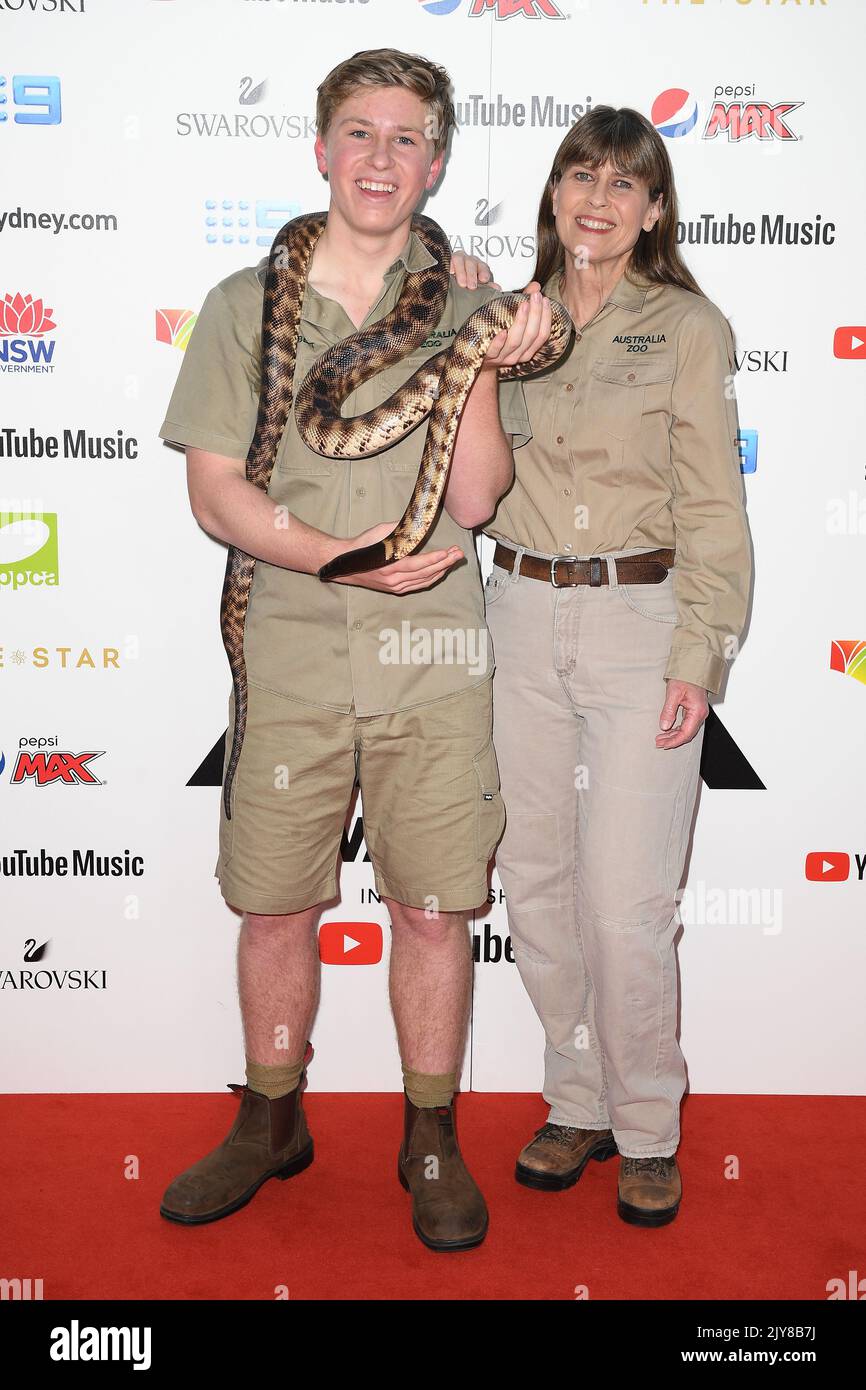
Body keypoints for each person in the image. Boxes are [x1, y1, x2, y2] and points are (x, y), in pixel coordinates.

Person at [155, 47, 553, 1251]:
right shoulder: (243, 304)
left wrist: (472, 359)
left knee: (433, 906)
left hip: (434, 650)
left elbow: (475, 502)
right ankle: (270, 1115)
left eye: (408, 138)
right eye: (360, 134)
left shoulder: (480, 308)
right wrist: (334, 556)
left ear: (436, 164)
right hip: (290, 643)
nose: (382, 157)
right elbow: (217, 492)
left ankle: (427, 1132)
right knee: (275, 904)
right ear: (321, 151)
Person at [458, 105, 752, 1227]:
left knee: (626, 902)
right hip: (517, 613)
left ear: (653, 210)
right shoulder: (505, 322)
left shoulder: (686, 326)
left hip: (640, 623)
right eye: (580, 174)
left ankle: (645, 1125)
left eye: (625, 183)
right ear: (552, 194)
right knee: (534, 886)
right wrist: (467, 320)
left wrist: (700, 655)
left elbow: (714, 510)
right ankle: (572, 1095)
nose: (599, 197)